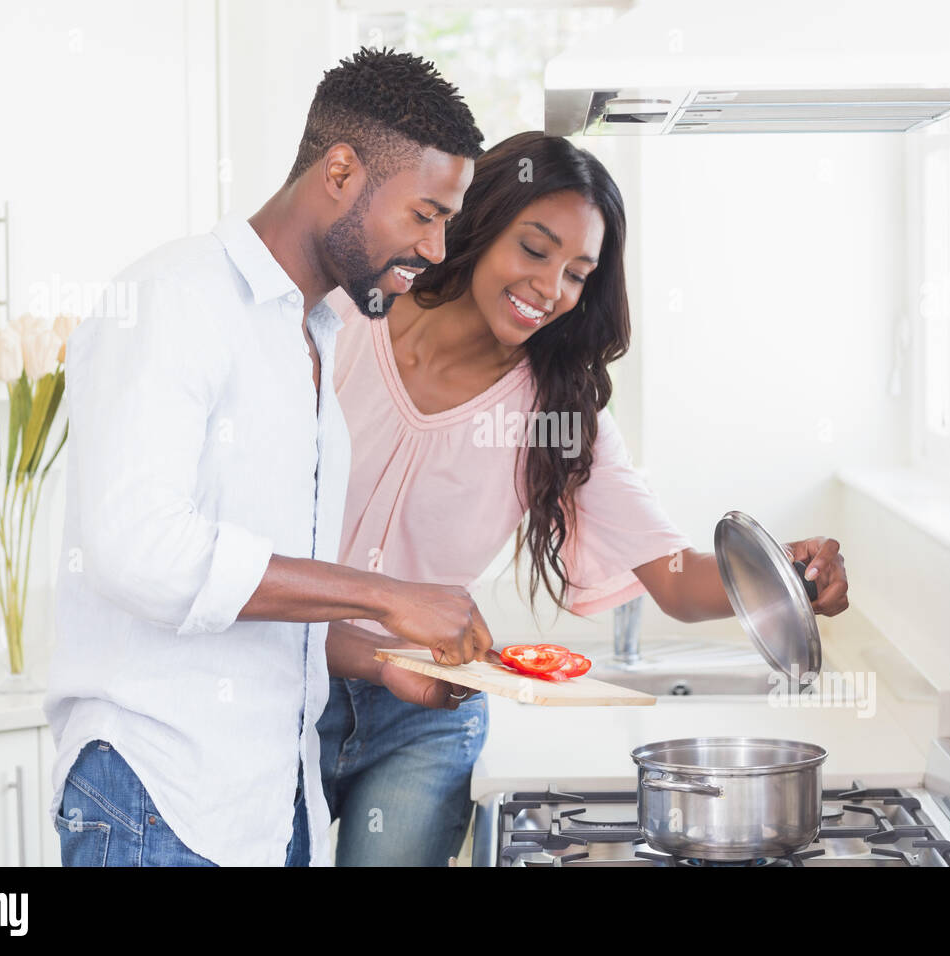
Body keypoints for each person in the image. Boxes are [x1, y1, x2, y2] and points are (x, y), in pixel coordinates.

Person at [316, 131, 851, 866]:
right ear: (479, 220)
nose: (551, 288)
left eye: (577, 273)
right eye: (534, 250)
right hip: (280, 677)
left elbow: (673, 580)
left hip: (426, 705)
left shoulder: (559, 412)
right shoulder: (344, 318)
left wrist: (782, 572)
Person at [43, 48, 490, 867]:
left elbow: (255, 609)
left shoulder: (315, 337)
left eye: (447, 223)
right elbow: (140, 552)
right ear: (342, 172)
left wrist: (384, 662)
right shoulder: (175, 299)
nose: (435, 248)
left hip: (271, 807)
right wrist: (390, 598)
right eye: (425, 213)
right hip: (155, 801)